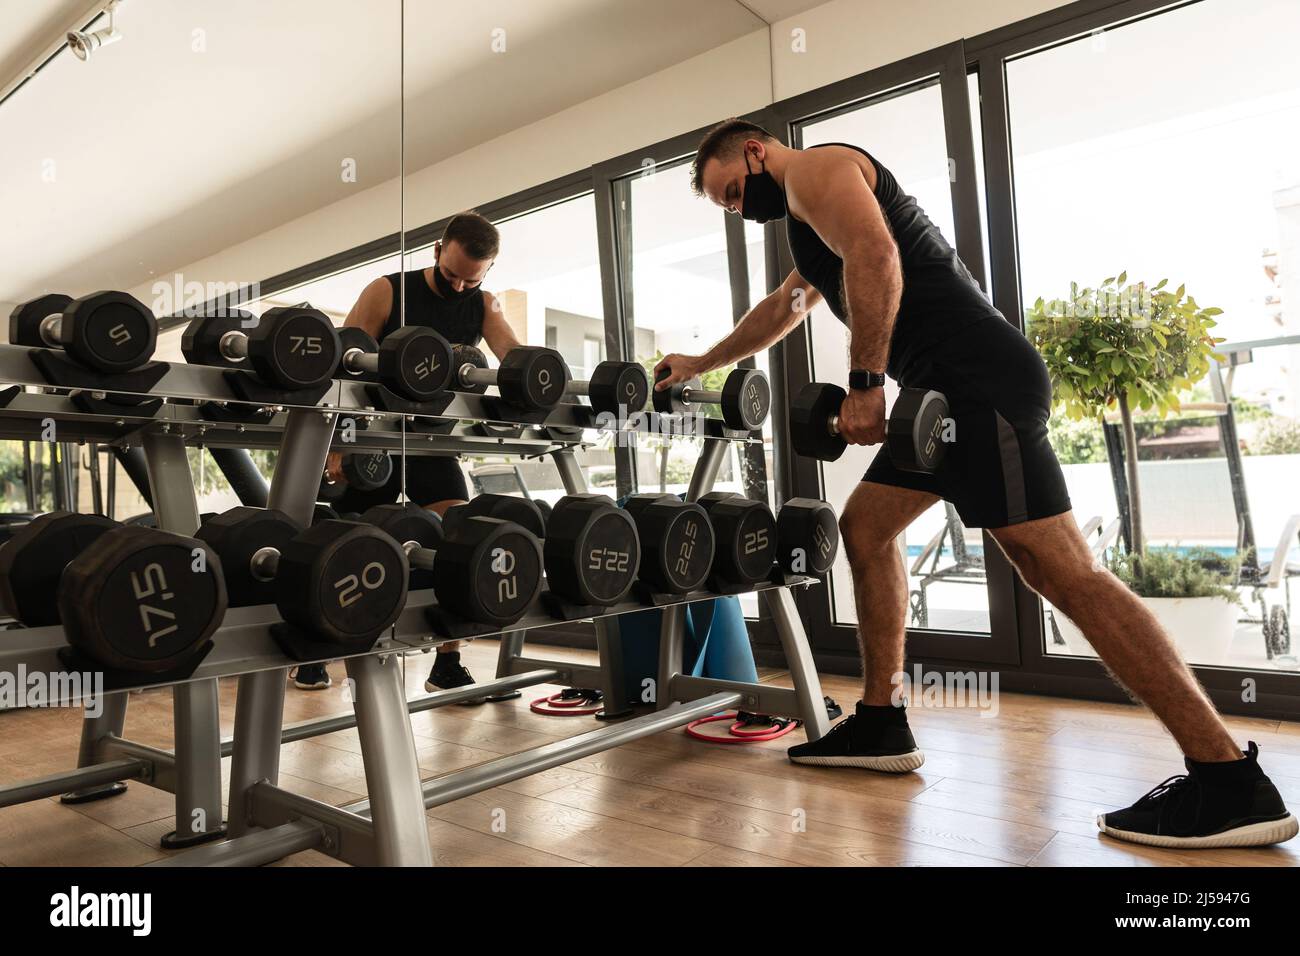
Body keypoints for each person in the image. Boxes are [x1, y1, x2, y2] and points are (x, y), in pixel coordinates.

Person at [655, 118, 1298, 850]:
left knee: (1065, 574)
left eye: (733, 192)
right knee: (865, 533)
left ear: (756, 152)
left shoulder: (820, 171)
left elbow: (877, 254)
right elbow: (784, 308)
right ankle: (880, 721)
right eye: (726, 207)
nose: (738, 209)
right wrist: (702, 362)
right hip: (944, 392)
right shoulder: (809, 225)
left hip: (976, 384)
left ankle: (1227, 779)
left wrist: (866, 384)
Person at [291, 211, 523, 700]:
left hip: (430, 444)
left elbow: (514, 358)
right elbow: (341, 371)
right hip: (371, 440)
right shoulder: (387, 290)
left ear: (488, 271)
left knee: (458, 539)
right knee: (348, 548)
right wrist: (341, 441)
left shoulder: (482, 304)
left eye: (470, 279)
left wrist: (534, 379)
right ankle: (317, 653)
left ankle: (449, 661)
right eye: (451, 273)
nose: (458, 286)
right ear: (437, 250)